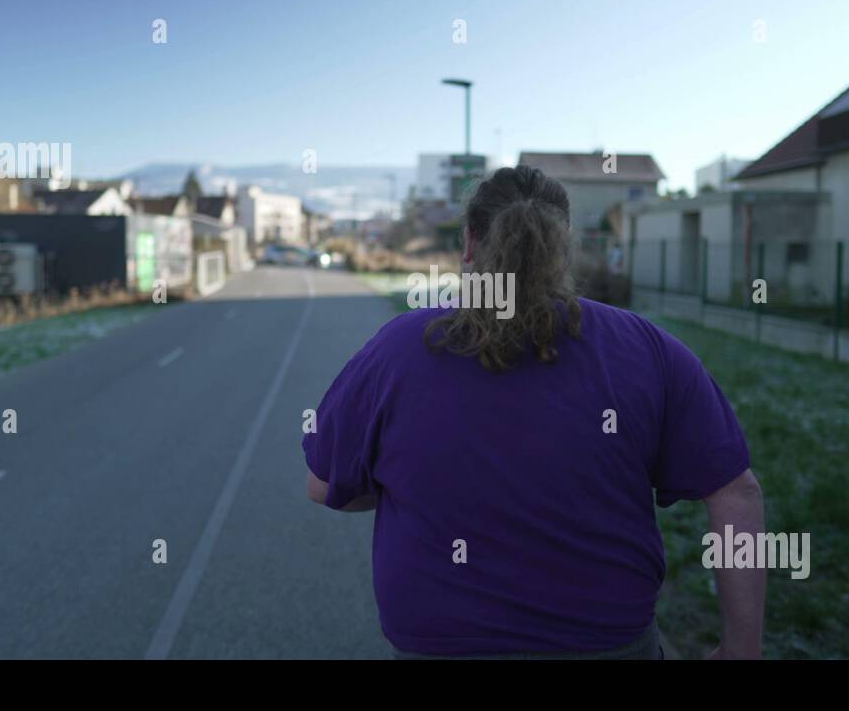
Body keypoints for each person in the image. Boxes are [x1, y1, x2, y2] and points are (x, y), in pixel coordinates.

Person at [303, 165, 764, 659]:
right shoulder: (647, 348)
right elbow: (738, 493)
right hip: (607, 641)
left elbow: (326, 485)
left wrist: (421, 482)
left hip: (443, 643)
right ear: (564, 250)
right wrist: (742, 648)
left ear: (468, 245)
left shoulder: (398, 350)